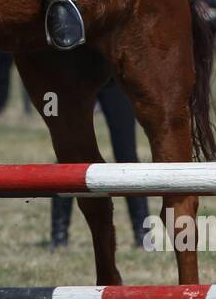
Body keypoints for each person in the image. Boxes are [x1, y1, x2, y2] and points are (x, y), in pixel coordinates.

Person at [50, 81, 148, 250]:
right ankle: (59, 235)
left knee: (126, 155)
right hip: (76, 76)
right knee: (67, 154)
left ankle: (143, 233)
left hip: (112, 78)